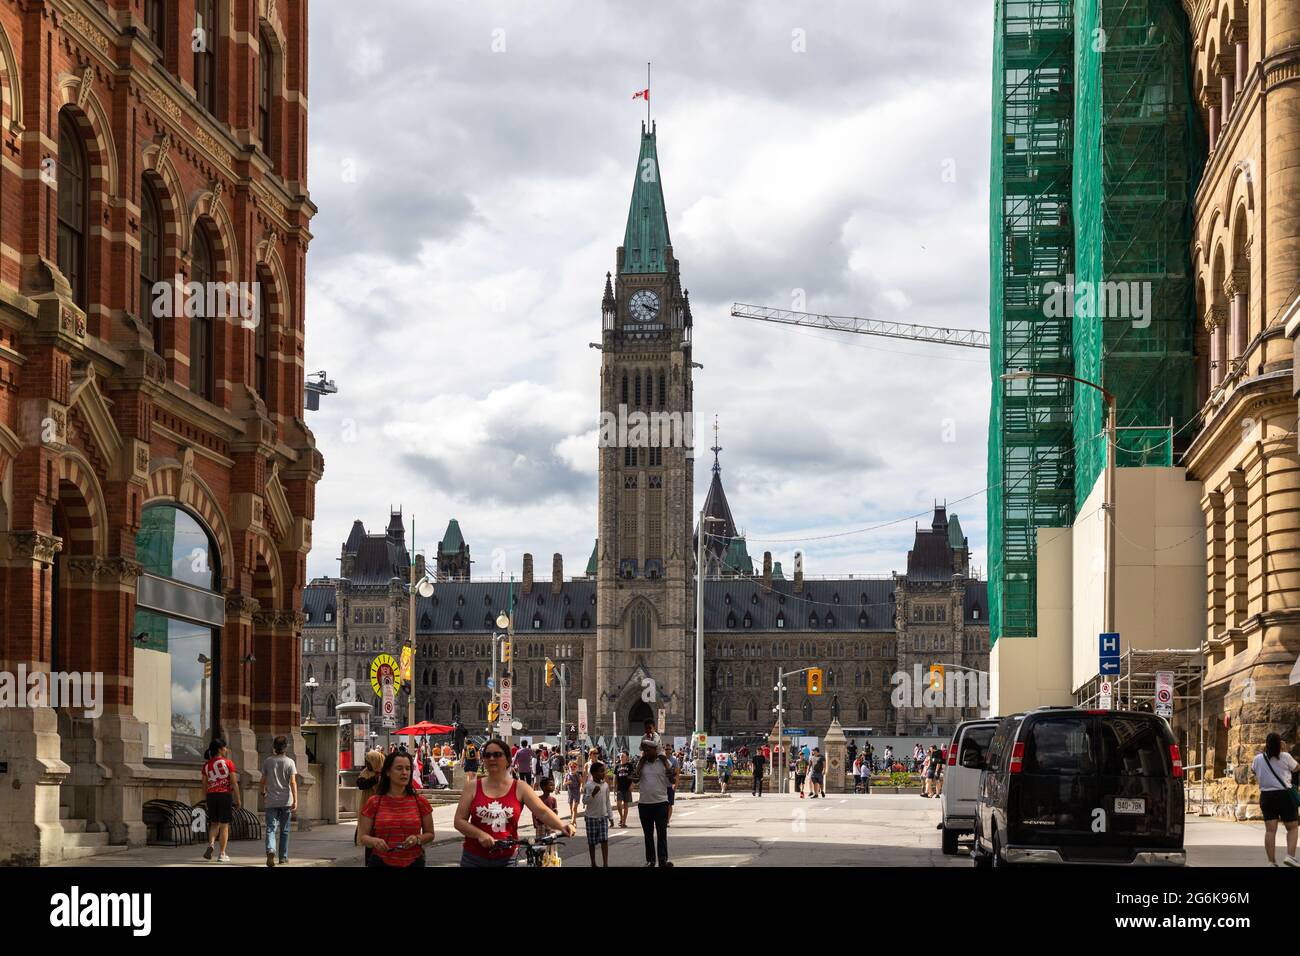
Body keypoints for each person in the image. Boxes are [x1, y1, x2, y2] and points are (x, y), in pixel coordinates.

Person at [455, 738, 574, 867]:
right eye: (487, 755)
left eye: (497, 755)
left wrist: (562, 825)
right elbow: (459, 821)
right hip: (474, 858)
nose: (491, 758)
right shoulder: (472, 787)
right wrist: (480, 835)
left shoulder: (520, 787)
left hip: (507, 859)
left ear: (507, 760)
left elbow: (543, 812)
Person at [357, 750, 434, 868]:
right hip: (380, 861)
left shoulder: (420, 802)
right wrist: (374, 842)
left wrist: (417, 839)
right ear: (388, 772)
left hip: (414, 861)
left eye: (408, 769)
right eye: (399, 768)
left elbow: (430, 834)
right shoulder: (374, 802)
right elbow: (362, 837)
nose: (404, 773)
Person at [1251, 732, 1299, 866]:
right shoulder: (1285, 756)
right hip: (1284, 796)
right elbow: (1296, 768)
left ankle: (1271, 862)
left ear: (1266, 744)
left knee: (1270, 831)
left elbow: (1253, 770)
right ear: (1280, 744)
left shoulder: (1258, 759)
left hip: (1267, 796)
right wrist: (1284, 751)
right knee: (1292, 827)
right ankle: (1290, 856)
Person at [632, 737, 672, 867]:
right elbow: (635, 780)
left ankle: (663, 860)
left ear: (655, 750)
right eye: (644, 751)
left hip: (661, 803)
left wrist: (665, 760)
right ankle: (650, 860)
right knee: (648, 834)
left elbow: (672, 779)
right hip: (644, 804)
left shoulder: (663, 763)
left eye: (647, 750)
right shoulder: (641, 763)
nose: (645, 753)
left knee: (661, 833)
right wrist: (641, 763)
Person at [260, 735, 297, 867]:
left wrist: (263, 792)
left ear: (274, 747)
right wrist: (295, 800)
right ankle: (283, 857)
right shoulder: (290, 762)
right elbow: (293, 782)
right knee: (285, 830)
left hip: (271, 800)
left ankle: (270, 850)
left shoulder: (268, 761)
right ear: (286, 747)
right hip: (286, 800)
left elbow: (263, 780)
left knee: (270, 828)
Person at [201, 738, 240, 862]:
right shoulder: (228, 763)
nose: (226, 749)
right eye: (225, 747)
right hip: (224, 795)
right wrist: (238, 799)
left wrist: (205, 800)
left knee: (214, 824)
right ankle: (222, 854)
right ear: (220, 749)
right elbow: (234, 783)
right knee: (224, 826)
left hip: (211, 796)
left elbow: (204, 785)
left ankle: (211, 845)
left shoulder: (206, 765)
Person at [583, 762, 614, 867]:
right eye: (601, 771)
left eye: (604, 771)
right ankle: (593, 863)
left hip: (603, 817)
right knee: (592, 842)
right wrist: (592, 794)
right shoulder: (588, 785)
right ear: (593, 773)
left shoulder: (605, 785)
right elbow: (584, 801)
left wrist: (610, 816)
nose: (603, 773)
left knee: (604, 840)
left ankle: (605, 863)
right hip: (591, 817)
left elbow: (608, 802)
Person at [614, 751, 634, 827]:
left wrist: (632, 785)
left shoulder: (629, 765)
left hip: (627, 787)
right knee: (618, 804)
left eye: (623, 755)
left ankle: (624, 822)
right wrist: (614, 787)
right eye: (620, 755)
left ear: (626, 757)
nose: (621, 756)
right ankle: (621, 817)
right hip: (620, 787)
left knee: (625, 805)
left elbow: (633, 776)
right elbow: (615, 777)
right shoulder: (617, 766)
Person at [565, 758, 583, 826]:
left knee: (574, 807)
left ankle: (573, 821)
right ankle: (574, 820)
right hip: (570, 792)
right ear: (569, 767)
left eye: (574, 766)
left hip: (576, 792)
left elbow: (581, 782)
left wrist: (581, 787)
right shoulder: (567, 775)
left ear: (577, 767)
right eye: (571, 766)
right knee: (571, 807)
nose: (572, 768)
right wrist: (567, 782)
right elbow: (564, 783)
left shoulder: (578, 775)